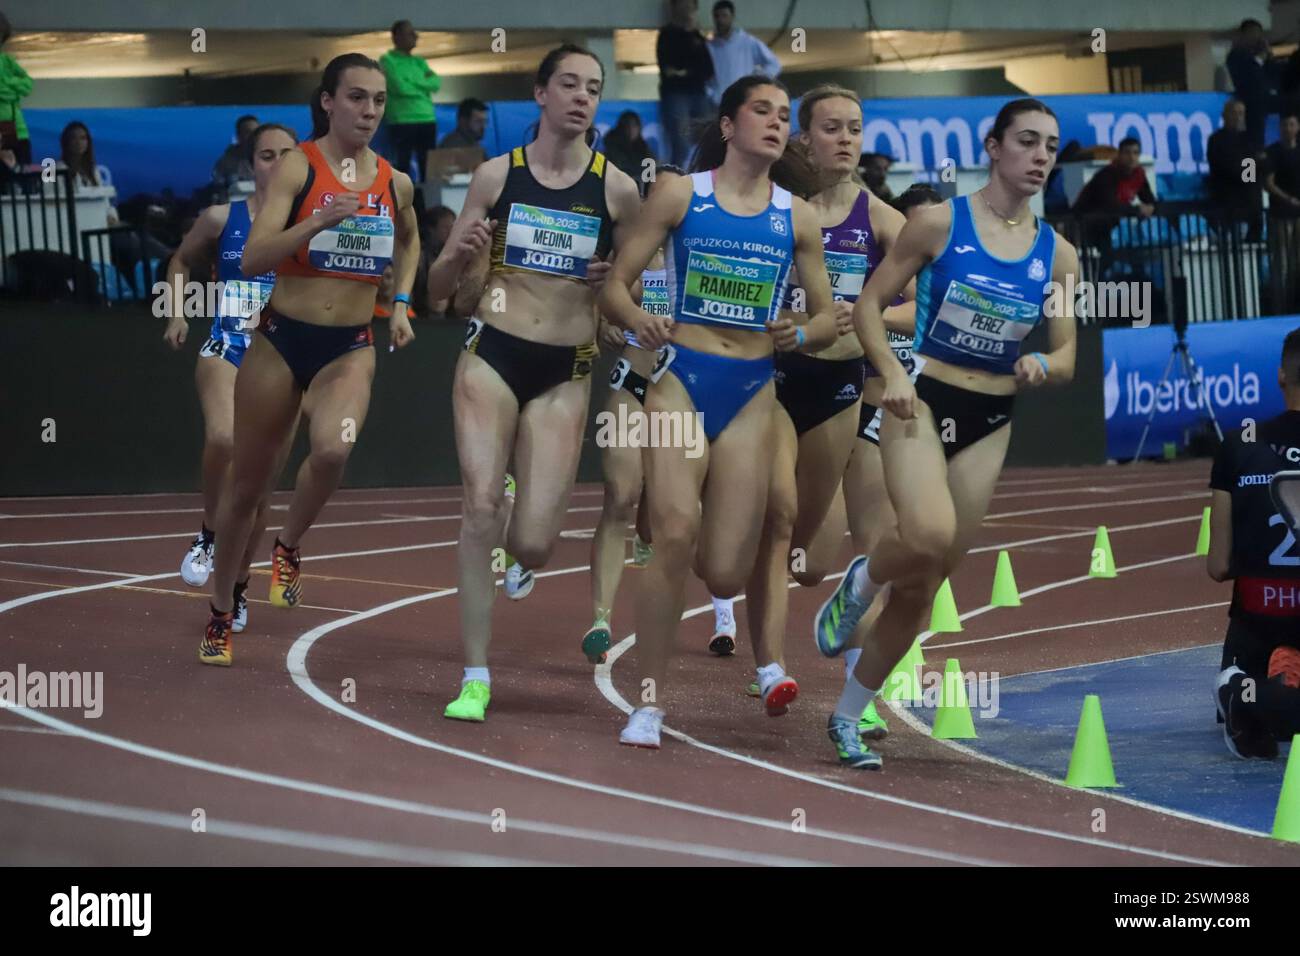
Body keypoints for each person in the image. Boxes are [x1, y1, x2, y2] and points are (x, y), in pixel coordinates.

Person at [813, 98, 1080, 770]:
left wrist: (1043, 362)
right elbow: (870, 305)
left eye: (1050, 144)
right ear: (993, 147)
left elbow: (1069, 353)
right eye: (1027, 141)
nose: (1041, 155)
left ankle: (847, 716)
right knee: (925, 535)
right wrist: (889, 373)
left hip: (992, 418)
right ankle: (862, 579)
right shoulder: (937, 223)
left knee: (927, 582)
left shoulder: (1060, 256)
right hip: (921, 400)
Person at [599, 75, 838, 749]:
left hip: (753, 390)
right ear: (729, 127)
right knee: (674, 532)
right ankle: (647, 703)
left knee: (726, 570)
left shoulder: (797, 217)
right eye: (760, 110)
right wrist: (638, 317)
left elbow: (825, 320)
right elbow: (615, 285)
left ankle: (710, 593)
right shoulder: (680, 194)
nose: (773, 122)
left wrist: (803, 332)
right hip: (682, 377)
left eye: (783, 115)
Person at [425, 44, 641, 721]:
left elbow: (631, 301)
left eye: (594, 88)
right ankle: (475, 675)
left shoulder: (618, 191)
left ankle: (522, 522)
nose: (582, 97)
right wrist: (459, 256)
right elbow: (437, 295)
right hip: (491, 354)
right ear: (541, 95)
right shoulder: (495, 176)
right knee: (480, 507)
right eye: (569, 84)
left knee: (534, 542)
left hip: (565, 370)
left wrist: (617, 290)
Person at [199, 53, 419, 666]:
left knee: (332, 449)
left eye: (377, 100)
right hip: (281, 337)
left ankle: (289, 545)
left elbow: (410, 238)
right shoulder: (299, 165)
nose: (369, 110)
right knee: (247, 487)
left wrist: (400, 302)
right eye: (356, 98)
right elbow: (252, 258)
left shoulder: (394, 181)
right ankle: (221, 612)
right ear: (328, 102)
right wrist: (317, 223)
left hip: (349, 346)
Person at [742, 85, 913, 718]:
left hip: (845, 391)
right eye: (831, 128)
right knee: (777, 518)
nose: (845, 139)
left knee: (818, 560)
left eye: (855, 128)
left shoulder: (884, 221)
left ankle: (842, 667)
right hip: (775, 379)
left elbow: (916, 306)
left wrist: (862, 313)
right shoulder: (775, 208)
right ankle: (770, 664)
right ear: (802, 139)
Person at [166, 123, 300, 631]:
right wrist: (177, 313)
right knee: (224, 438)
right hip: (227, 342)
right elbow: (180, 259)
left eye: (287, 154)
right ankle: (207, 531)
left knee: (259, 488)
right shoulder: (223, 217)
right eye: (266, 155)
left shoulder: (308, 224)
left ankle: (237, 588)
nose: (276, 162)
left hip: (282, 357)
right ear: (251, 164)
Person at [825, 181, 942, 741]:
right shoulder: (876, 263)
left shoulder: (941, 287)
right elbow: (863, 308)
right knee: (806, 559)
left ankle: (858, 696)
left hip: (884, 419)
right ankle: (763, 649)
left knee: (873, 550)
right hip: (835, 404)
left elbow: (927, 316)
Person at [1208, 326, 1300, 758]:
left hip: (1255, 624)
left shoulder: (1237, 444)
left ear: (1281, 376)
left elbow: (1218, 565)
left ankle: (1241, 690)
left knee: (1275, 715)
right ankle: (1271, 698)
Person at [380, 19, 441, 182]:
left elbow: (436, 83)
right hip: (402, 120)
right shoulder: (387, 61)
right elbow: (399, 87)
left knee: (429, 169)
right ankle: (403, 204)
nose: (416, 36)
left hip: (427, 118)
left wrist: (413, 84)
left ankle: (428, 205)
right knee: (402, 167)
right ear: (396, 37)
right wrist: (423, 86)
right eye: (411, 33)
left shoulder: (419, 61)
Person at [657, 0, 715, 168]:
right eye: (684, 5)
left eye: (690, 6)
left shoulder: (698, 37)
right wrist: (689, 72)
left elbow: (708, 69)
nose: (687, 10)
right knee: (681, 144)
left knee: (708, 140)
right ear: (675, 8)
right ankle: (677, 183)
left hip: (699, 92)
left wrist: (684, 72)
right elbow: (668, 68)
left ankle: (706, 180)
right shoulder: (667, 34)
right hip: (676, 94)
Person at [705, 1, 781, 104]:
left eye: (724, 16)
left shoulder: (747, 42)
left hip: (744, 101)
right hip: (718, 104)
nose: (720, 20)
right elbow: (703, 77)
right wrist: (712, 95)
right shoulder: (709, 46)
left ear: (732, 17)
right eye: (717, 16)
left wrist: (756, 82)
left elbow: (774, 64)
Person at [1205, 99, 1261, 239]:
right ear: (1224, 115)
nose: (1238, 117)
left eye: (1241, 113)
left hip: (1250, 204)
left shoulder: (1249, 139)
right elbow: (1225, 166)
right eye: (1234, 113)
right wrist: (1247, 167)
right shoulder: (1216, 140)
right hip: (1227, 202)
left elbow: (1253, 168)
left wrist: (1248, 167)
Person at [1264, 112, 1300, 312]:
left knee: (1296, 264)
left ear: (1297, 128)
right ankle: (1280, 308)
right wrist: (1289, 199)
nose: (1288, 129)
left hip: (1298, 216)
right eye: (1285, 125)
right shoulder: (1271, 152)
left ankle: (1295, 304)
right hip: (1280, 215)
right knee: (1281, 265)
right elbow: (1266, 183)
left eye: (1292, 125)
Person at [1226, 18, 1277, 154]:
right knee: (1251, 145)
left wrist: (1269, 57)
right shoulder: (1236, 55)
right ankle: (1249, 174)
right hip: (1249, 105)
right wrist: (1260, 58)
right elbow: (1250, 76)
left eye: (1259, 34)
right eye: (1253, 33)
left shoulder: (1260, 56)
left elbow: (1272, 74)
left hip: (1264, 103)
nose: (1256, 37)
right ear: (1244, 34)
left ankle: (1262, 169)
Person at [0, 12, 32, 166]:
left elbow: (27, 85)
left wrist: (5, 82)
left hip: (17, 131)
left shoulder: (7, 61)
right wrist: (13, 89)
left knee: (25, 182)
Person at [602, 110, 655, 182]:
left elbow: (650, 179)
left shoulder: (644, 150)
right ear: (621, 128)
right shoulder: (611, 151)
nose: (631, 130)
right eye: (627, 126)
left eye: (634, 126)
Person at [211, 114, 260, 191]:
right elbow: (217, 187)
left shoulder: (271, 159)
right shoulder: (225, 163)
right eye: (248, 132)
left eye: (256, 132)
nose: (253, 136)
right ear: (238, 136)